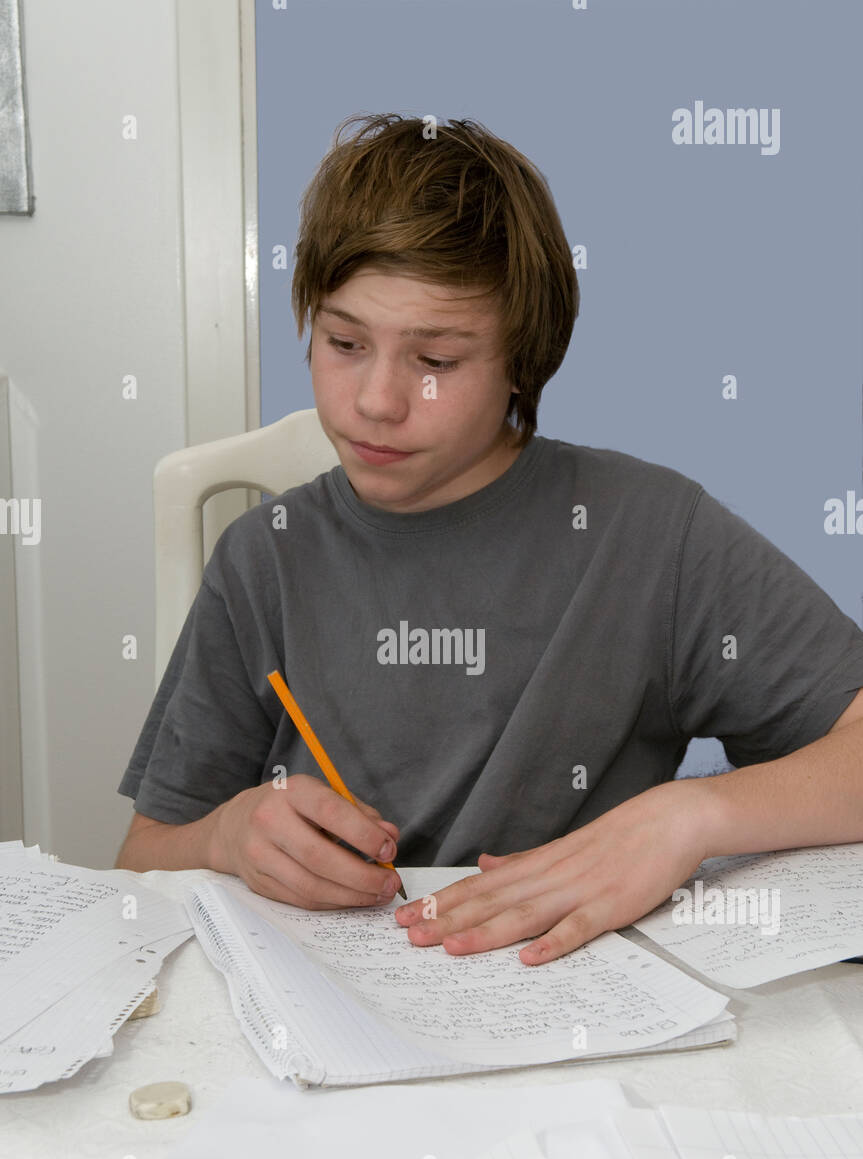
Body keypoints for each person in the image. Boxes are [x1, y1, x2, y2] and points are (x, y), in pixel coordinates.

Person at [116, 113, 863, 965]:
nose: (376, 401)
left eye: (435, 360)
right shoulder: (263, 557)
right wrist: (223, 836)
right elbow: (140, 862)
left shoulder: (650, 534)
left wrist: (690, 815)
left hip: (578, 1024)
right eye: (343, 342)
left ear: (522, 360)